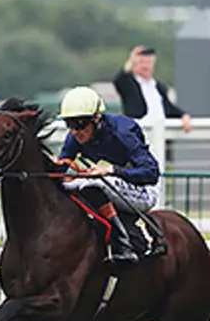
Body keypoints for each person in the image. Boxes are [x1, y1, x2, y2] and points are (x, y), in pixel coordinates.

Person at [57, 85, 162, 266]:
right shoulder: (75, 136)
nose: (75, 131)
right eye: (70, 124)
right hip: (108, 186)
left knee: (96, 183)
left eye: (80, 124)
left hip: (143, 190)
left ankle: (123, 245)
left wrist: (113, 170)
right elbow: (62, 168)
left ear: (96, 119)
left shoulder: (123, 132)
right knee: (65, 185)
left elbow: (151, 173)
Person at [113, 45, 193, 133]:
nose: (145, 66)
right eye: (142, 62)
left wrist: (183, 116)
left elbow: (169, 109)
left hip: (160, 134)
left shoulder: (158, 87)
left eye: (148, 62)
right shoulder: (130, 85)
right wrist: (131, 61)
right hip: (139, 134)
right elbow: (119, 79)